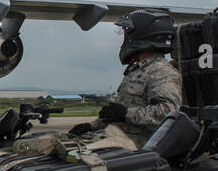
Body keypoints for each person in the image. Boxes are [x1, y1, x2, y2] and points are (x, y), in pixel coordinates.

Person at [69, 9, 183, 147]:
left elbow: (168, 113)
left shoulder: (162, 71)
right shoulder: (138, 70)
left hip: (135, 144)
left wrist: (126, 113)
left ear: (140, 34)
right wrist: (91, 126)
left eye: (127, 32)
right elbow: (118, 115)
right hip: (115, 136)